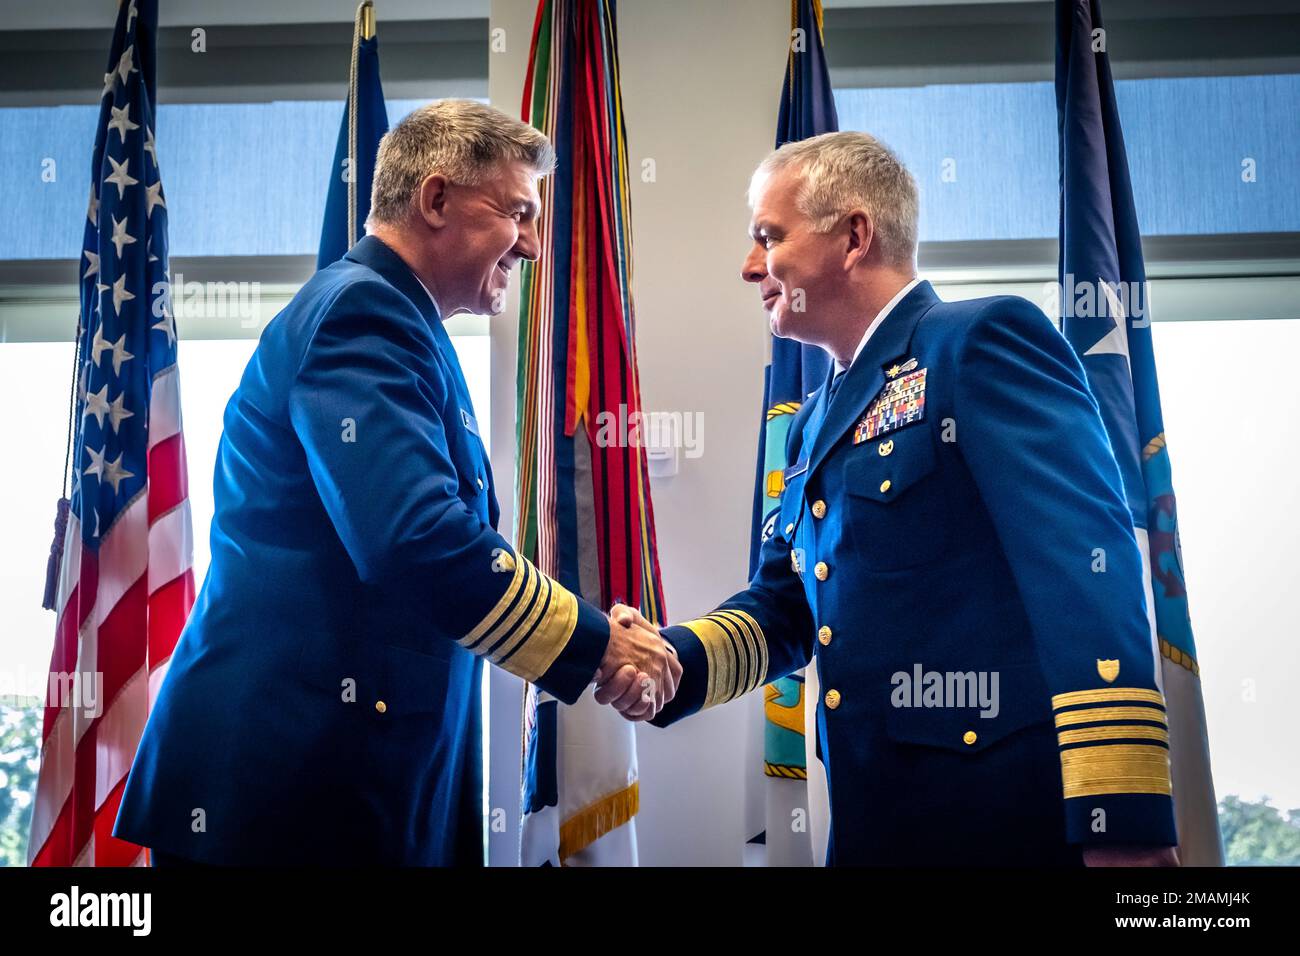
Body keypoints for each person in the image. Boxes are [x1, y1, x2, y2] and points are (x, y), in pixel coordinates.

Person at [115, 100, 679, 866]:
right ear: (436, 199)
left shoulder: (407, 327)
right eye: (518, 212)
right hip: (289, 796)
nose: (537, 245)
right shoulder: (364, 312)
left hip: (351, 780)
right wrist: (598, 646)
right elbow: (415, 538)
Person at [602, 130, 1179, 867]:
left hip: (1002, 825)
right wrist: (669, 661)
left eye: (767, 237)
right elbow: (782, 610)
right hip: (874, 822)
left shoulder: (978, 343)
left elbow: (1086, 575)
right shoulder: (811, 421)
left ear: (853, 235)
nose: (750, 267)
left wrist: (1121, 822)